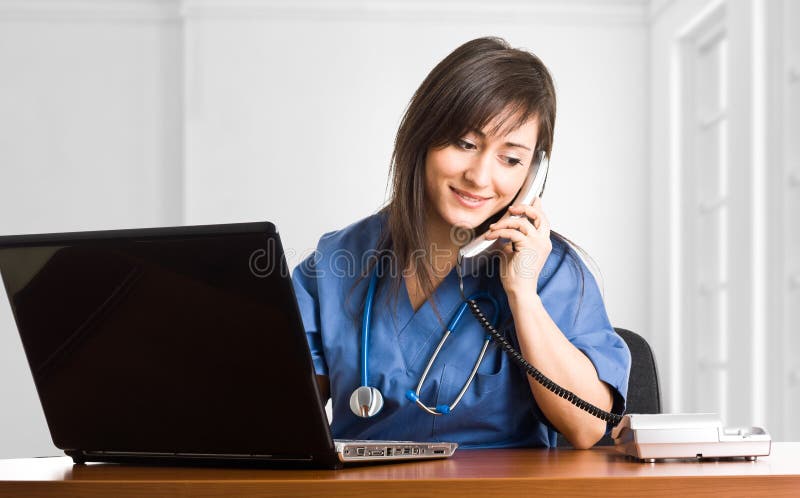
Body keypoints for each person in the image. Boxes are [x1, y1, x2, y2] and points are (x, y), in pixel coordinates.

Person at [292, 37, 631, 449]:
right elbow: (278, 414)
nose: (479, 176)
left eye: (510, 159)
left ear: (533, 174)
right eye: (465, 144)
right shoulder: (337, 262)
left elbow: (587, 427)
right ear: (422, 136)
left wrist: (522, 295)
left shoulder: (551, 270)